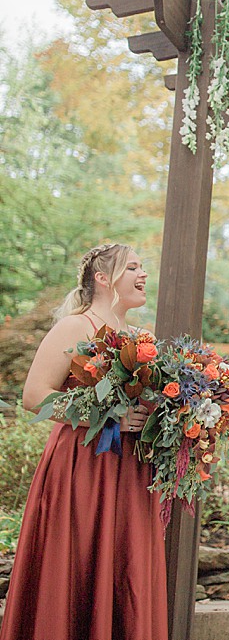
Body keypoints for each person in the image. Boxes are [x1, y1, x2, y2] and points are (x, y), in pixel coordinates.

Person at [0, 244, 166, 640]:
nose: (142, 274)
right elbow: (34, 395)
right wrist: (108, 414)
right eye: (132, 267)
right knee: (77, 560)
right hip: (83, 467)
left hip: (131, 472)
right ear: (103, 278)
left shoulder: (144, 338)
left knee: (127, 567)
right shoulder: (76, 327)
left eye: (142, 267)